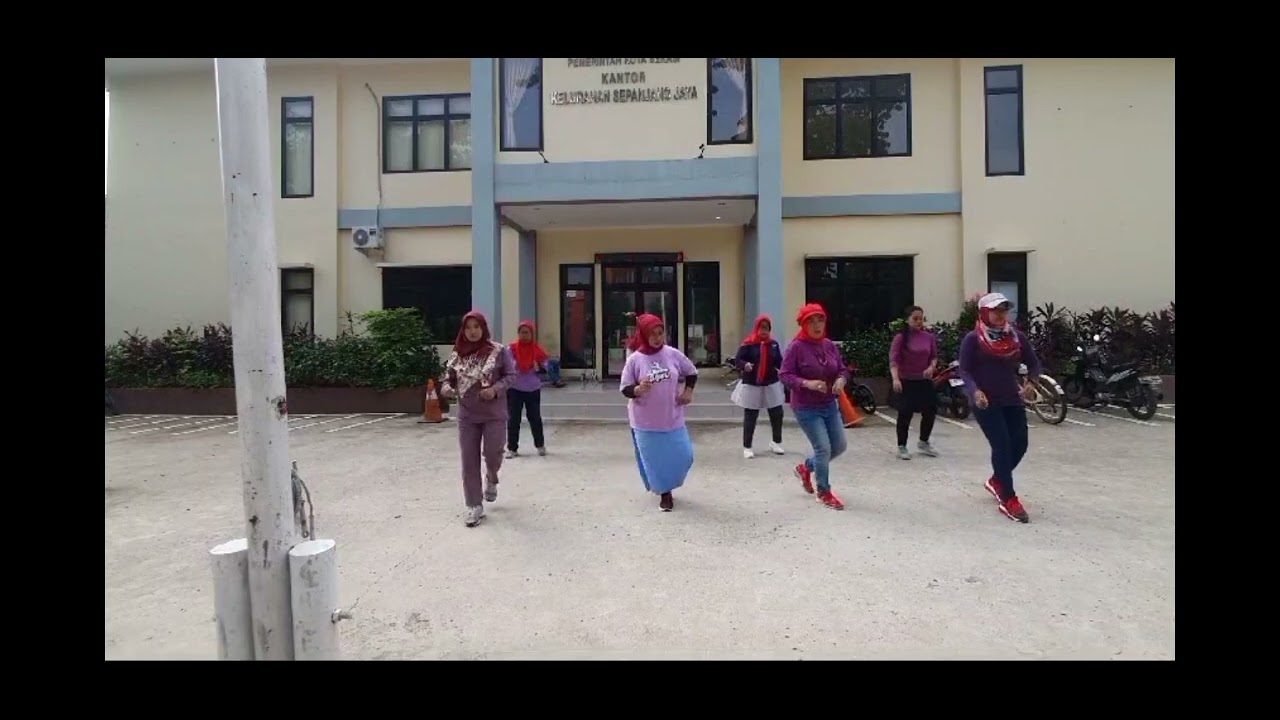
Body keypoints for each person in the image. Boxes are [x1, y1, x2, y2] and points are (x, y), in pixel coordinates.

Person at [958, 292, 1042, 524]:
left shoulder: (1016, 337)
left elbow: (1033, 363)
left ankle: (998, 479)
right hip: (985, 401)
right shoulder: (973, 339)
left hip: (1011, 398)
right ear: (984, 312)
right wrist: (974, 390)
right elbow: (964, 370)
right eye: (996, 310)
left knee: (1020, 444)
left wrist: (1031, 382)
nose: (1000, 314)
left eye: (1004, 310)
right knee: (1002, 445)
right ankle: (1009, 498)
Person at [441, 310, 517, 527]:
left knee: (493, 454)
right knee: (469, 461)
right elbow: (449, 379)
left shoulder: (498, 351)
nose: (472, 332)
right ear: (463, 331)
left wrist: (495, 389)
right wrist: (446, 387)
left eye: (477, 327)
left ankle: (492, 477)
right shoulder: (458, 354)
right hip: (467, 415)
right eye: (468, 327)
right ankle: (474, 505)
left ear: (483, 328)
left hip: (494, 414)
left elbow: (511, 376)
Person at [620, 313, 699, 511]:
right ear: (644, 335)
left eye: (660, 333)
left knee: (685, 456)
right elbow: (625, 388)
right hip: (645, 421)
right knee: (655, 462)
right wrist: (637, 390)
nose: (657, 337)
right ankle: (665, 493)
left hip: (672, 416)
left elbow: (691, 372)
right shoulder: (635, 359)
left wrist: (688, 391)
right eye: (652, 334)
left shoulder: (672, 354)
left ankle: (668, 484)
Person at [779, 303, 849, 510]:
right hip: (806, 407)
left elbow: (843, 369)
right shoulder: (796, 347)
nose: (817, 325)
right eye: (811, 321)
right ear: (803, 325)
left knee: (839, 446)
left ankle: (805, 468)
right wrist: (807, 383)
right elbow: (784, 375)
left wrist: (841, 380)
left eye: (820, 320)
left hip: (828, 403)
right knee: (823, 448)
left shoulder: (829, 345)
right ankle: (824, 491)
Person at [889, 305, 940, 460]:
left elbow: (934, 356)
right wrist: (895, 378)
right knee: (905, 414)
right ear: (908, 320)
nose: (919, 322)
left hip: (923, 380)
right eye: (915, 319)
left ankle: (924, 442)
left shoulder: (928, 337)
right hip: (906, 381)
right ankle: (902, 446)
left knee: (930, 410)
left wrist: (931, 367)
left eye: (921, 318)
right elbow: (893, 360)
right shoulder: (901, 338)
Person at [732, 314, 786, 459]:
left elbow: (779, 362)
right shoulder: (748, 344)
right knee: (751, 415)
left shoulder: (773, 345)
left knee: (777, 413)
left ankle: (776, 442)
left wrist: (785, 372)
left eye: (767, 328)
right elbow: (738, 360)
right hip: (752, 382)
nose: (764, 331)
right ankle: (747, 446)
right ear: (756, 328)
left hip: (771, 382)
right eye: (762, 328)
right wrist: (745, 365)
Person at [506, 319, 548, 458]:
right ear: (518, 333)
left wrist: (539, 368)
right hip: (515, 388)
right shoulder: (511, 349)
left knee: (535, 417)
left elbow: (547, 367)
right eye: (522, 332)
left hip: (533, 389)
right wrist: (513, 366)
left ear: (532, 334)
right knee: (513, 419)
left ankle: (540, 445)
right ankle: (512, 448)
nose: (524, 335)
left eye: (527, 332)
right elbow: (504, 365)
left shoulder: (536, 350)